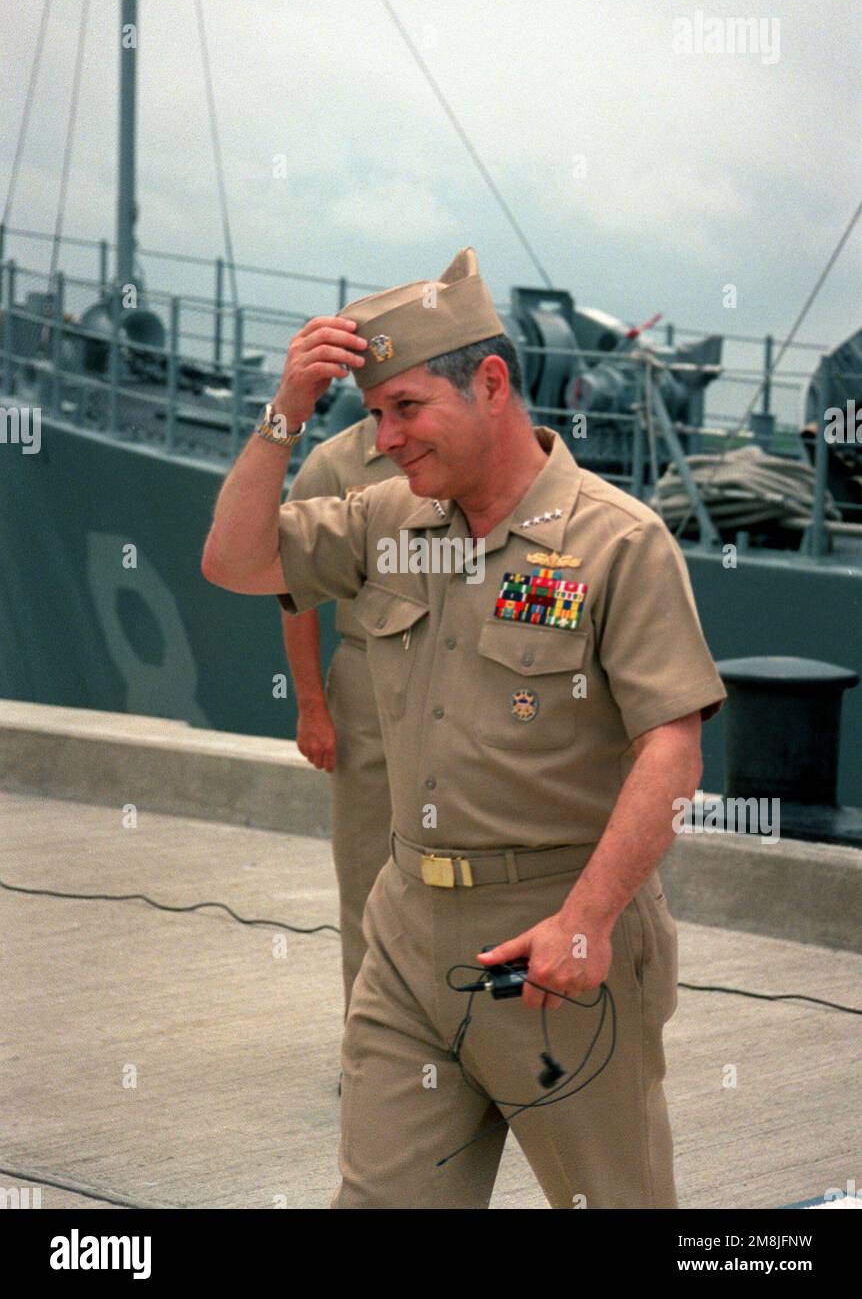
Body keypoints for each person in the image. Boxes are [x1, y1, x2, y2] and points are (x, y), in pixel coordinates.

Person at [202, 247, 727, 1209]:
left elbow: (672, 746)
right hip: (405, 943)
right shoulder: (387, 522)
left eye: (407, 408)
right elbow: (235, 562)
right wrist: (284, 414)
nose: (389, 438)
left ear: (490, 384)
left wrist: (590, 921)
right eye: (373, 415)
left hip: (555, 952)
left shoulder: (617, 542)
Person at [280, 417, 402, 1018]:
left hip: (471, 683)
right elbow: (295, 592)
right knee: (368, 876)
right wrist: (311, 708)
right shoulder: (331, 466)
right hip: (370, 687)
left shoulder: (472, 453)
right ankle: (374, 1046)